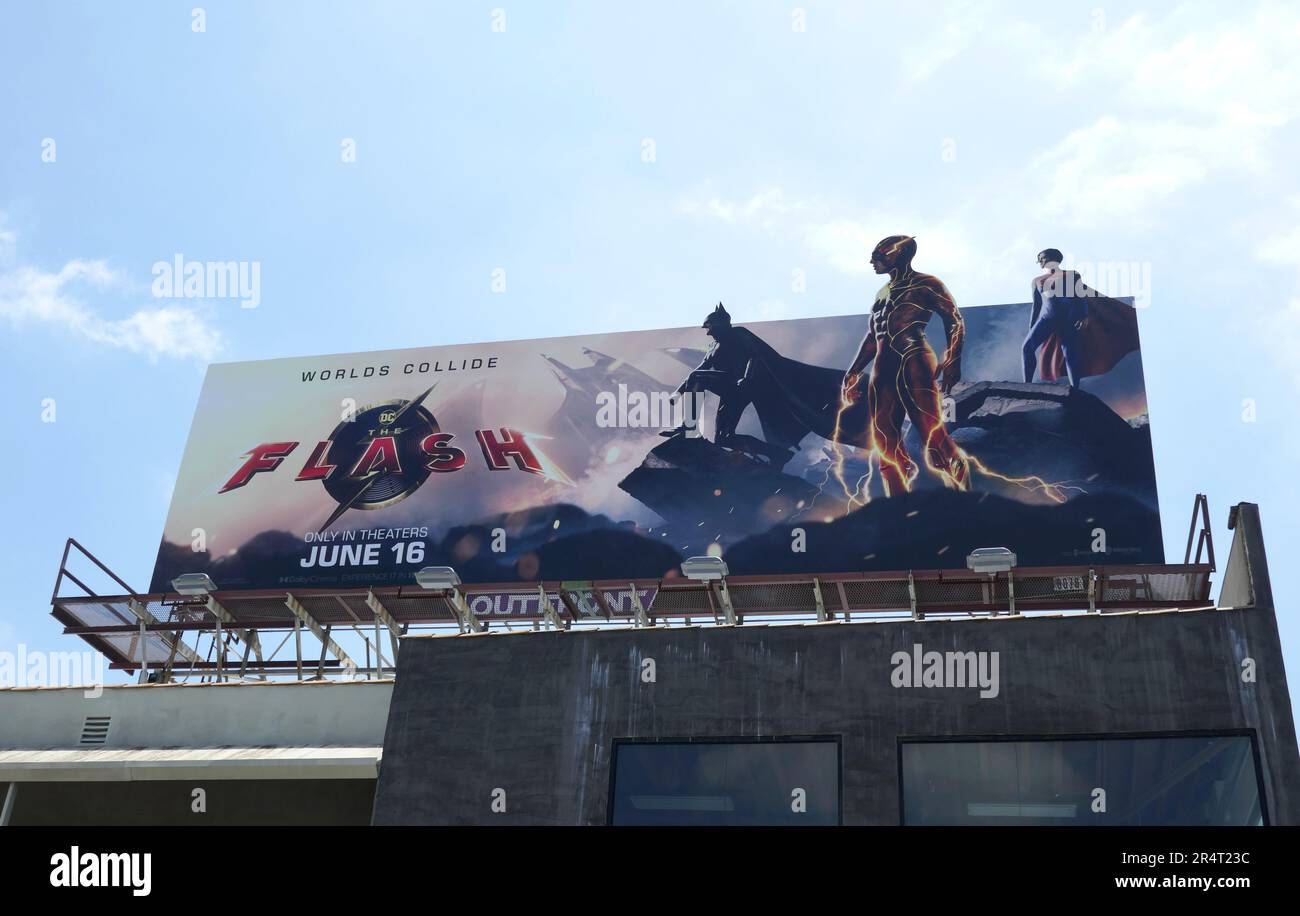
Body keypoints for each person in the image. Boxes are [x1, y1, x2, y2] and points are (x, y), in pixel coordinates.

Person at [840, 236, 969, 495]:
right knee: (883, 434)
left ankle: (962, 495)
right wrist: (853, 371)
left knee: (930, 431)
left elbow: (953, 320)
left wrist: (953, 359)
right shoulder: (882, 292)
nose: (872, 261)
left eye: (879, 255)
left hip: (913, 359)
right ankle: (899, 503)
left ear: (898, 255)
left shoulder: (926, 283)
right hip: (882, 365)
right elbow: (873, 335)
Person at [1023, 248, 1141, 388]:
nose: (1040, 262)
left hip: (1068, 319)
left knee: (1070, 354)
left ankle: (1075, 389)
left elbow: (1081, 296)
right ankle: (1026, 385)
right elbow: (1036, 306)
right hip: (1046, 319)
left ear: (1051, 258)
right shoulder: (1036, 281)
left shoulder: (1072, 275)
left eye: (1041, 258)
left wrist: (1084, 316)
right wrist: (1031, 327)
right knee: (1027, 348)